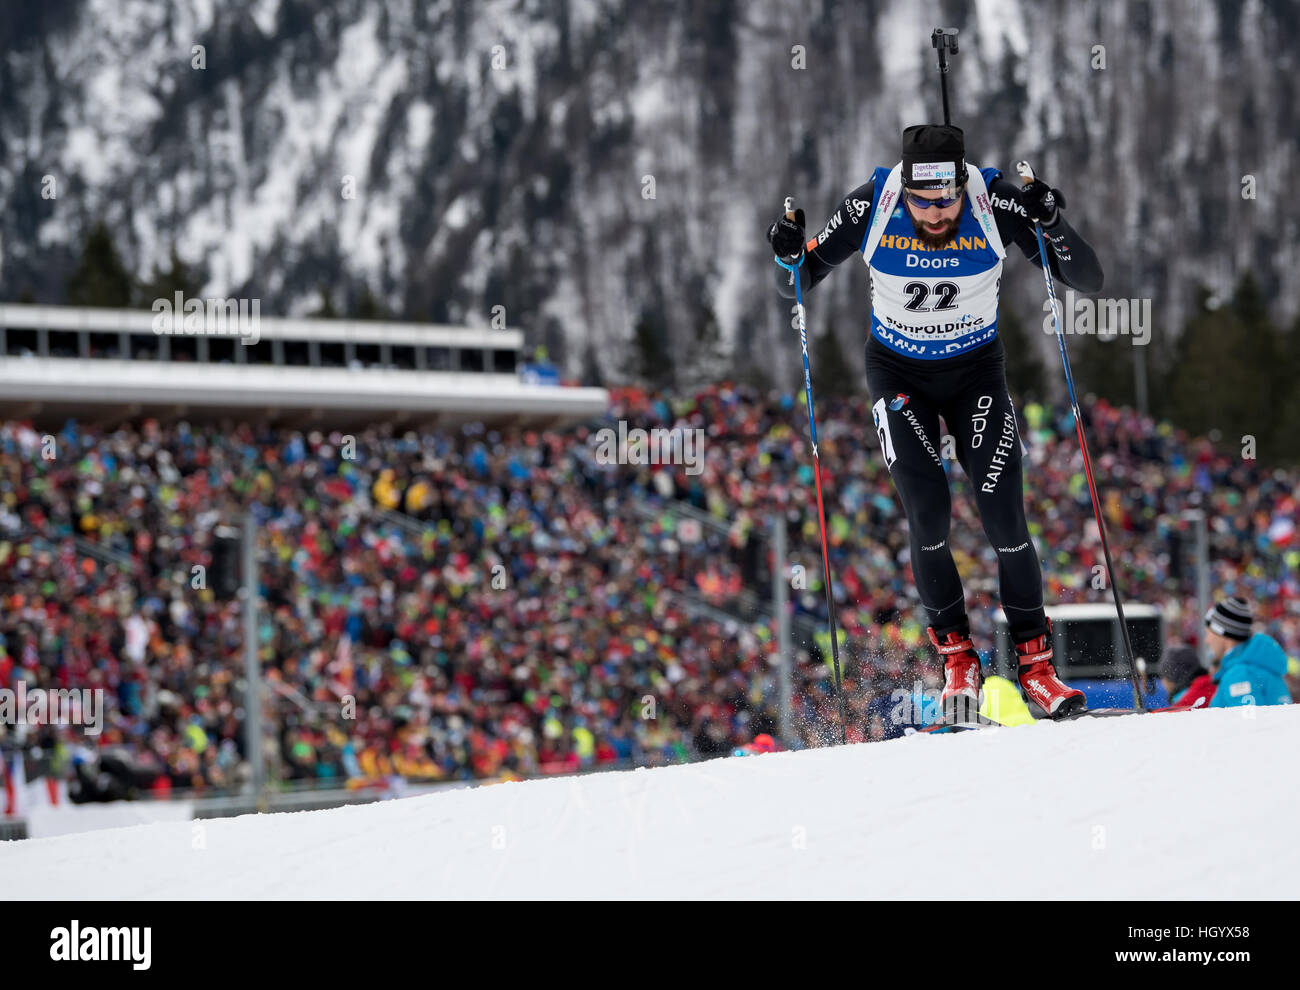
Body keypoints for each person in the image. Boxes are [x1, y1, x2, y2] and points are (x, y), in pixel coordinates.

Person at [769, 123, 1103, 722]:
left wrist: (1051, 221)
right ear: (905, 186)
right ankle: (957, 656)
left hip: (976, 373)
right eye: (923, 200)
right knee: (928, 515)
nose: (936, 211)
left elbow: (1088, 279)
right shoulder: (873, 203)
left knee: (1004, 516)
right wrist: (788, 253)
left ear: (961, 182)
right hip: (900, 376)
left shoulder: (992, 201)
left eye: (946, 197)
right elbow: (797, 281)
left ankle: (1035, 666)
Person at [1202, 597, 1292, 709]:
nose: (1207, 640)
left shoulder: (1240, 674)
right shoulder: (1257, 666)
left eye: (1209, 633)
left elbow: (1247, 724)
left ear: (1223, 635)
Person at [1155, 645, 1216, 711]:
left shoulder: (1199, 691)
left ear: (1174, 678)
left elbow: (1172, 714)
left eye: (1164, 676)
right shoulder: (1206, 683)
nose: (1162, 682)